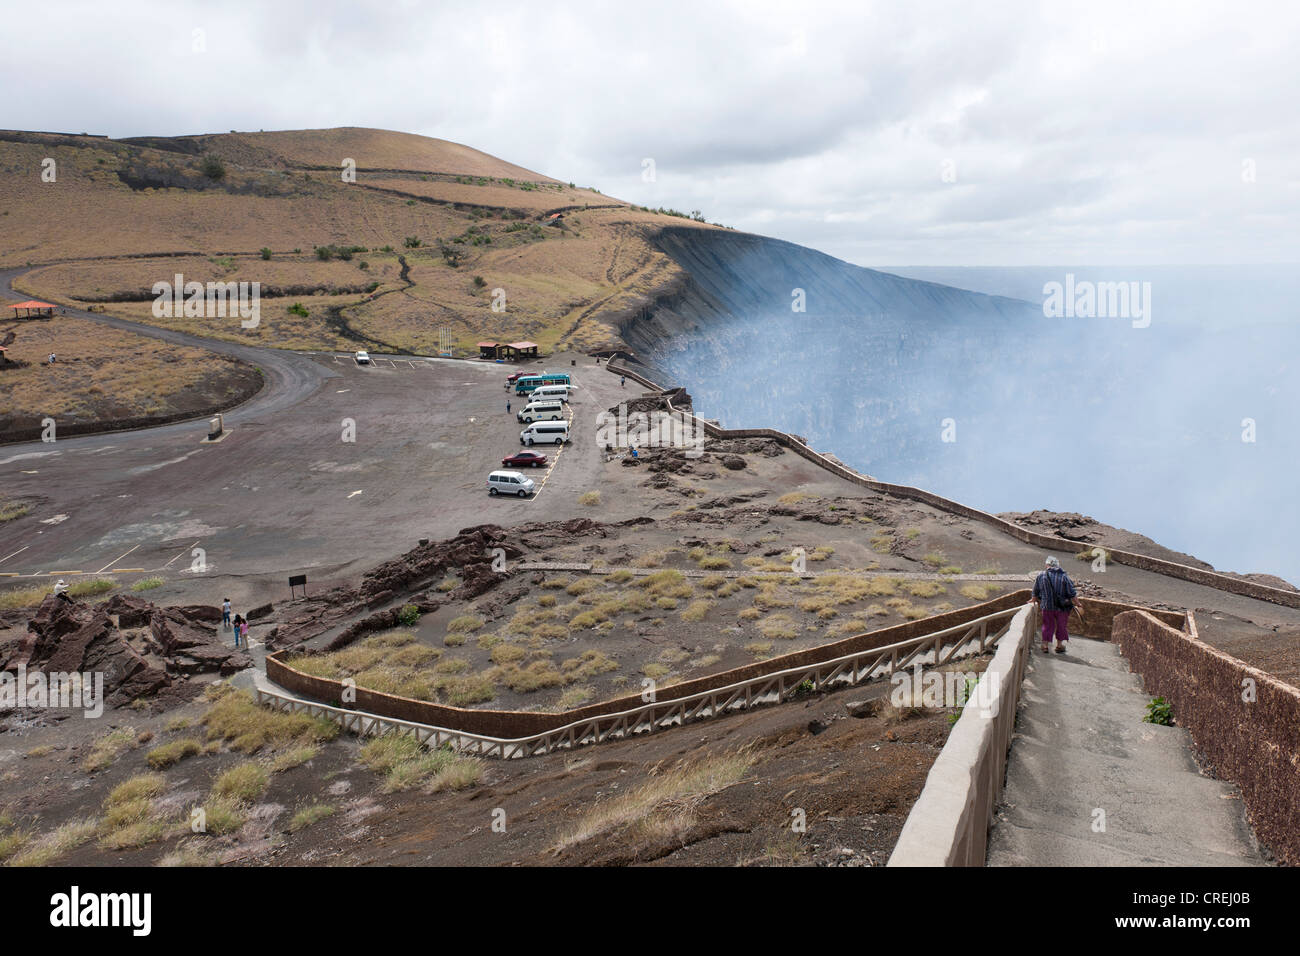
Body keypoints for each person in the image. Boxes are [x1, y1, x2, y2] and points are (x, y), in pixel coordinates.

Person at [1032, 556, 1082, 654]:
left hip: (1047, 606)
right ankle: (1059, 645)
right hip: (1062, 608)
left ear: (1047, 565)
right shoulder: (1064, 577)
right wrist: (1078, 604)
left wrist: (1033, 599)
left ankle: (1045, 645)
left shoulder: (1041, 575)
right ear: (1058, 566)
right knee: (1061, 626)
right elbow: (1072, 594)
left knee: (1047, 625)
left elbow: (1035, 591)